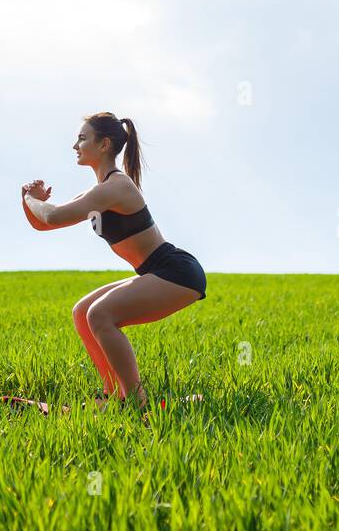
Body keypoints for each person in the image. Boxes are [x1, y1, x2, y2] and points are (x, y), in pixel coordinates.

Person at [22, 111, 207, 422]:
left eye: (82, 138)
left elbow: (51, 215)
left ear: (104, 144)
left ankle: (138, 404)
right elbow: (45, 224)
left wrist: (30, 197)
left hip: (176, 271)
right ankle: (115, 397)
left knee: (100, 314)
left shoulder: (116, 187)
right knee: (83, 312)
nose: (75, 145)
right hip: (155, 271)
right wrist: (27, 201)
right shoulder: (98, 191)